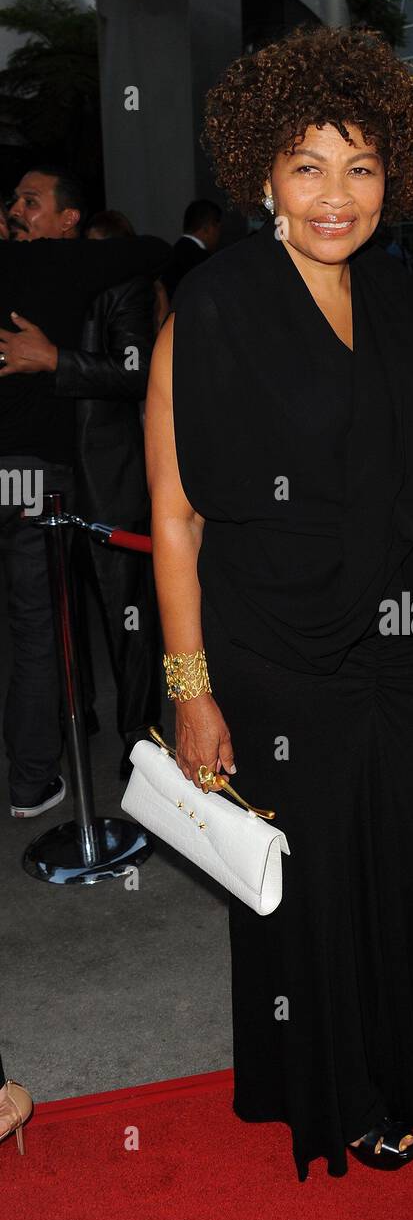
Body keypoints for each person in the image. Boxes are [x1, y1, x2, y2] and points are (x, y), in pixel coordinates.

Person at [145, 25, 413, 1181]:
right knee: (304, 886)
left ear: (395, 178)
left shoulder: (400, 295)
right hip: (273, 649)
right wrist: (190, 691)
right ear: (264, 172)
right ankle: (329, 1097)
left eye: (362, 165)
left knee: (407, 869)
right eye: (309, 165)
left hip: (391, 643)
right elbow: (176, 516)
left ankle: (394, 1074)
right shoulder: (214, 305)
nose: (336, 195)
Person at [0, 166, 169, 818]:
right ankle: (74, 726)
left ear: (69, 221)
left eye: (29, 201)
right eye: (13, 201)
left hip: (101, 471)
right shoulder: (25, 272)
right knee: (48, 618)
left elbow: (142, 371)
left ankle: (139, 745)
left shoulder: (111, 279)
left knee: (123, 615)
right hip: (42, 481)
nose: (15, 210)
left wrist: (56, 362)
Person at [160, 198, 222, 299]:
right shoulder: (205, 261)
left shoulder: (172, 253)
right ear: (208, 228)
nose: (219, 235)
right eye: (218, 229)